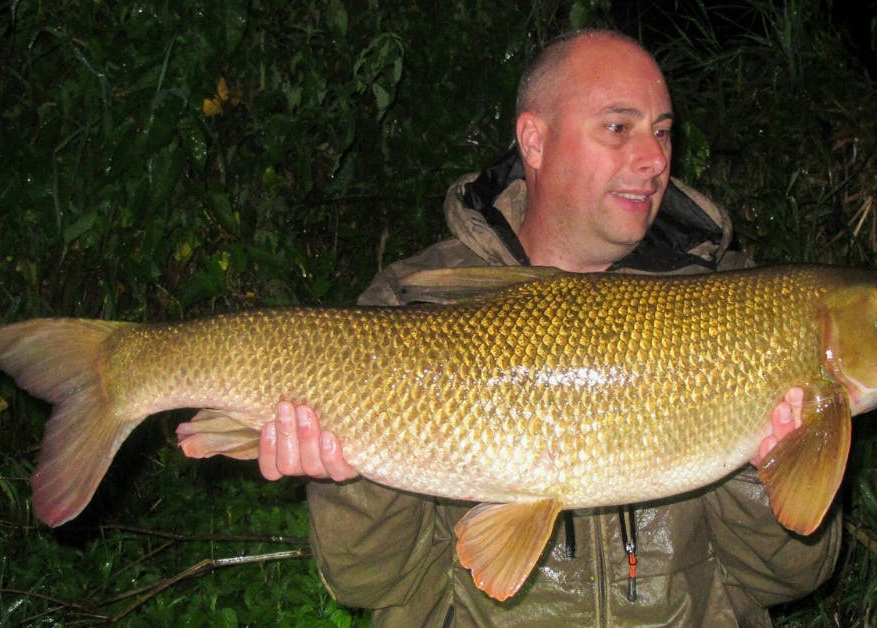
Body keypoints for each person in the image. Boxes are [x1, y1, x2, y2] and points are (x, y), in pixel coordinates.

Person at [256, 30, 840, 626]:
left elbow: (788, 578)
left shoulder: (741, 302)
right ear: (534, 141)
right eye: (619, 127)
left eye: (663, 132)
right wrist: (351, 477)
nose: (655, 159)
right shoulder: (412, 300)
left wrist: (760, 467)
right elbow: (369, 582)